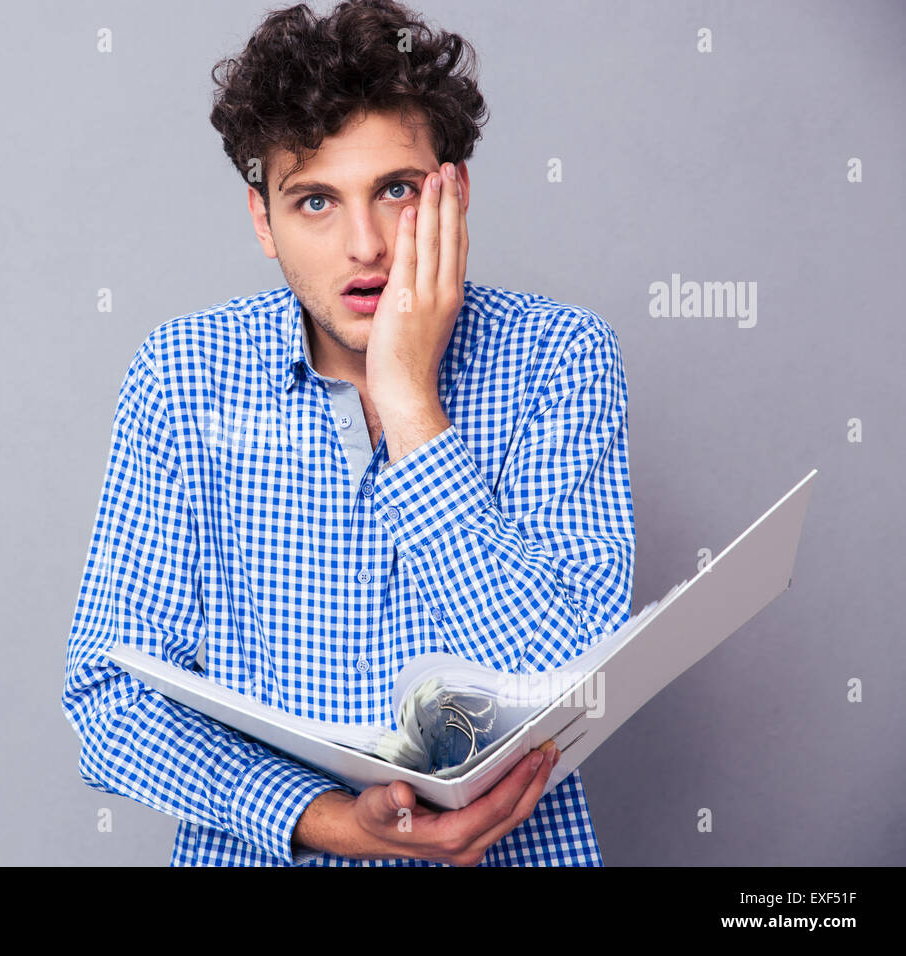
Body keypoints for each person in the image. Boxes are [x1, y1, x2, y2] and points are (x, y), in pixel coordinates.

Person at [62, 0, 635, 866]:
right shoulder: (182, 376)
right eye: (316, 201)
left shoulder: (560, 358)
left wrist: (407, 397)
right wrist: (329, 818)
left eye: (396, 190)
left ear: (456, 192)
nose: (365, 244)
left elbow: (567, 681)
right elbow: (108, 700)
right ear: (264, 221)